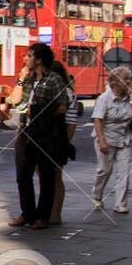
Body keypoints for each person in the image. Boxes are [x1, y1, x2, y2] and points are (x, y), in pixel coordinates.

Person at [7, 43, 67, 231]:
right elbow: (15, 100)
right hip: (25, 132)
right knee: (22, 175)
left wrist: (42, 113)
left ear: (39, 60)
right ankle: (27, 213)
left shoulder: (54, 80)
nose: (25, 59)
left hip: (45, 134)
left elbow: (63, 105)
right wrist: (21, 78)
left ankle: (42, 217)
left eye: (29, 56)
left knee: (46, 177)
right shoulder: (27, 78)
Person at [91, 66, 132, 213]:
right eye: (126, 78)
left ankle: (120, 204)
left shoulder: (128, 97)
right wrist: (102, 141)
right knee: (104, 170)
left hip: (124, 138)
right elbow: (97, 121)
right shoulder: (104, 98)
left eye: (130, 78)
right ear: (115, 82)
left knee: (124, 172)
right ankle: (97, 196)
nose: (129, 81)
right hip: (106, 138)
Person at [48, 61, 81, 225]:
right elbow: (72, 123)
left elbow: (71, 122)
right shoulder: (68, 93)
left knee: (54, 178)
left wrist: (63, 143)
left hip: (53, 141)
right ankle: (53, 213)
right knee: (53, 178)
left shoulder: (66, 94)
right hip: (51, 141)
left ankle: (54, 213)